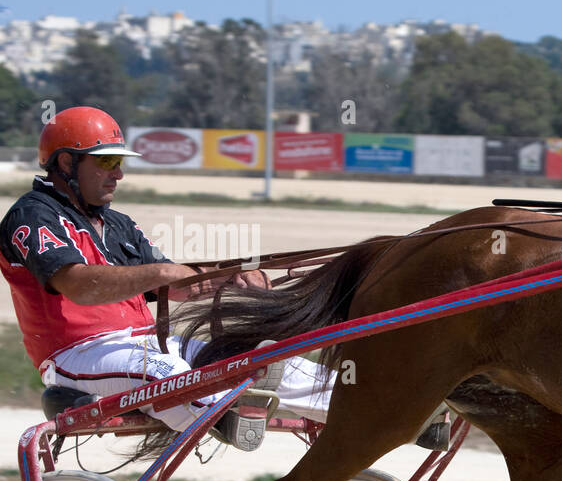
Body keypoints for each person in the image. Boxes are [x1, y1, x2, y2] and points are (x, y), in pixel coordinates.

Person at [0, 106, 331, 449]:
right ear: (67, 164)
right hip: (77, 355)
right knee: (165, 371)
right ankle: (234, 410)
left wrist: (231, 278)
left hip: (147, 343)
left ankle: (362, 403)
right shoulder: (33, 214)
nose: (119, 174)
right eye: (108, 162)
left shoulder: (119, 225)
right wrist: (160, 273)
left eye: (120, 163)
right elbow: (78, 285)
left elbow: (176, 285)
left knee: (265, 358)